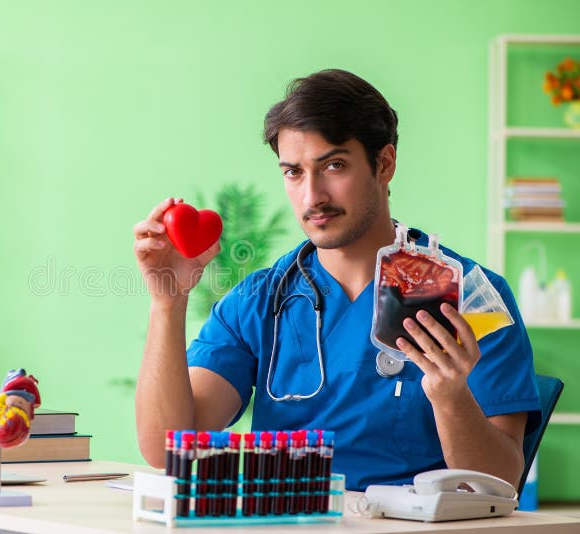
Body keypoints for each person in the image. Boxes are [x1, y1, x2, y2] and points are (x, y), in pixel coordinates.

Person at [132, 69, 540, 491]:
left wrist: (450, 396)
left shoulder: (468, 296)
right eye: (293, 172)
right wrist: (168, 301)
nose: (313, 196)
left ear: (384, 164)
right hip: (291, 517)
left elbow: (500, 481)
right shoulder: (259, 301)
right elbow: (166, 448)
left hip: (409, 520)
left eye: (334, 166)